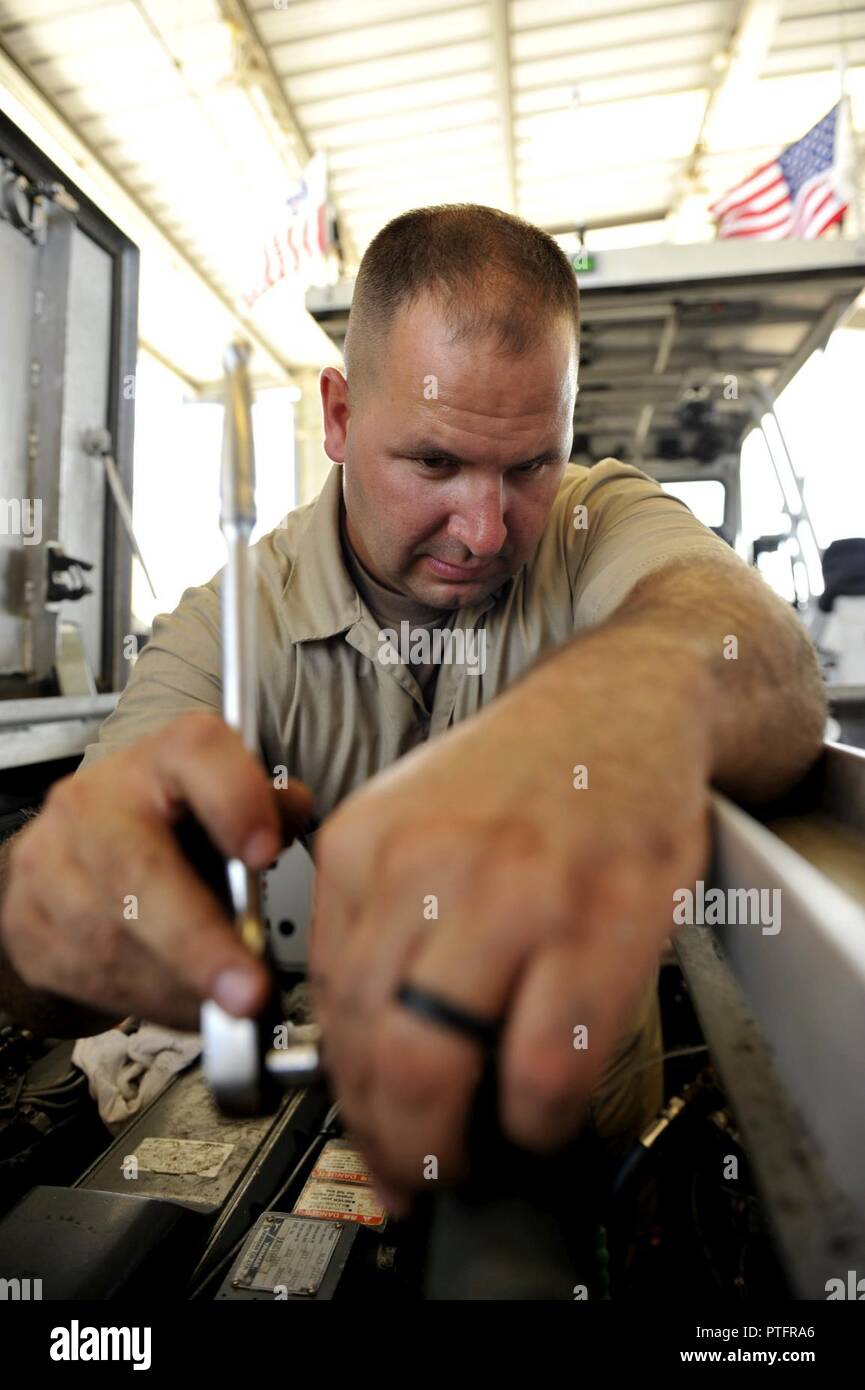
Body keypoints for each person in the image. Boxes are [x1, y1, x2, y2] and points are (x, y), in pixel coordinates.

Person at [0, 205, 825, 1215]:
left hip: (603, 1158)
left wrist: (572, 737)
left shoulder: (594, 518)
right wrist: (59, 919)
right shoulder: (234, 624)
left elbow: (761, 652)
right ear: (340, 417)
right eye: (433, 463)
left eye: (528, 465)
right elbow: (45, 946)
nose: (483, 529)